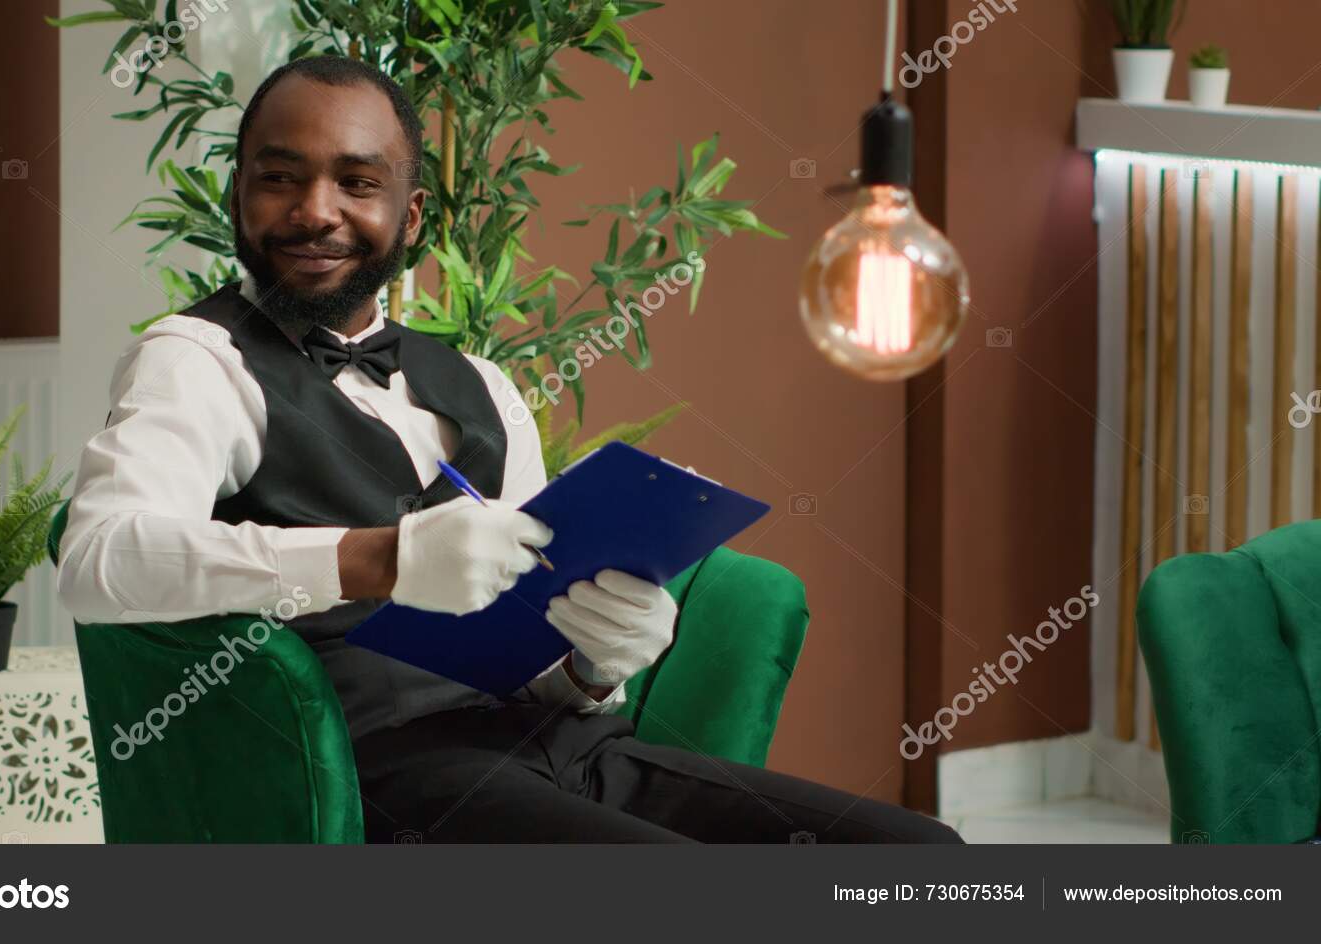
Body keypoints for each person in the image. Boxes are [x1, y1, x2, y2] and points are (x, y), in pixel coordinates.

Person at [57, 55, 960, 844]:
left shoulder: (482, 387)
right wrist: (381, 557)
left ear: (411, 220)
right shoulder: (196, 362)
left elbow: (530, 675)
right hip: (374, 783)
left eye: (357, 184)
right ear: (237, 196)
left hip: (564, 751)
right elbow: (98, 560)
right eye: (279, 178)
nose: (314, 212)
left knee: (915, 854)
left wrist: (592, 663)